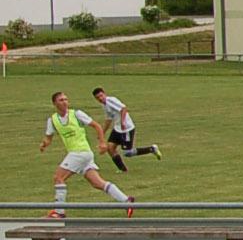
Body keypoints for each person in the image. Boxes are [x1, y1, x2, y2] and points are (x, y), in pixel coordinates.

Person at [40, 90, 134, 219]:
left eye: (66, 99)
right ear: (54, 103)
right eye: (61, 100)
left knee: (58, 178)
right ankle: (126, 201)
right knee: (97, 183)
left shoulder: (77, 114)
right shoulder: (53, 120)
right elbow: (48, 137)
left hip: (80, 153)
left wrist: (102, 142)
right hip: (83, 155)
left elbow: (97, 126)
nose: (65, 102)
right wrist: (44, 144)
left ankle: (59, 212)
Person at [90, 86, 162, 172]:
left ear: (104, 93)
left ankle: (152, 149)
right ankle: (123, 170)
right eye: (98, 98)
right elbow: (108, 119)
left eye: (101, 96)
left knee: (128, 153)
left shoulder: (111, 100)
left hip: (126, 129)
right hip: (117, 129)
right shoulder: (104, 105)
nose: (100, 98)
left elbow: (123, 109)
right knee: (110, 148)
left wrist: (123, 122)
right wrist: (102, 133)